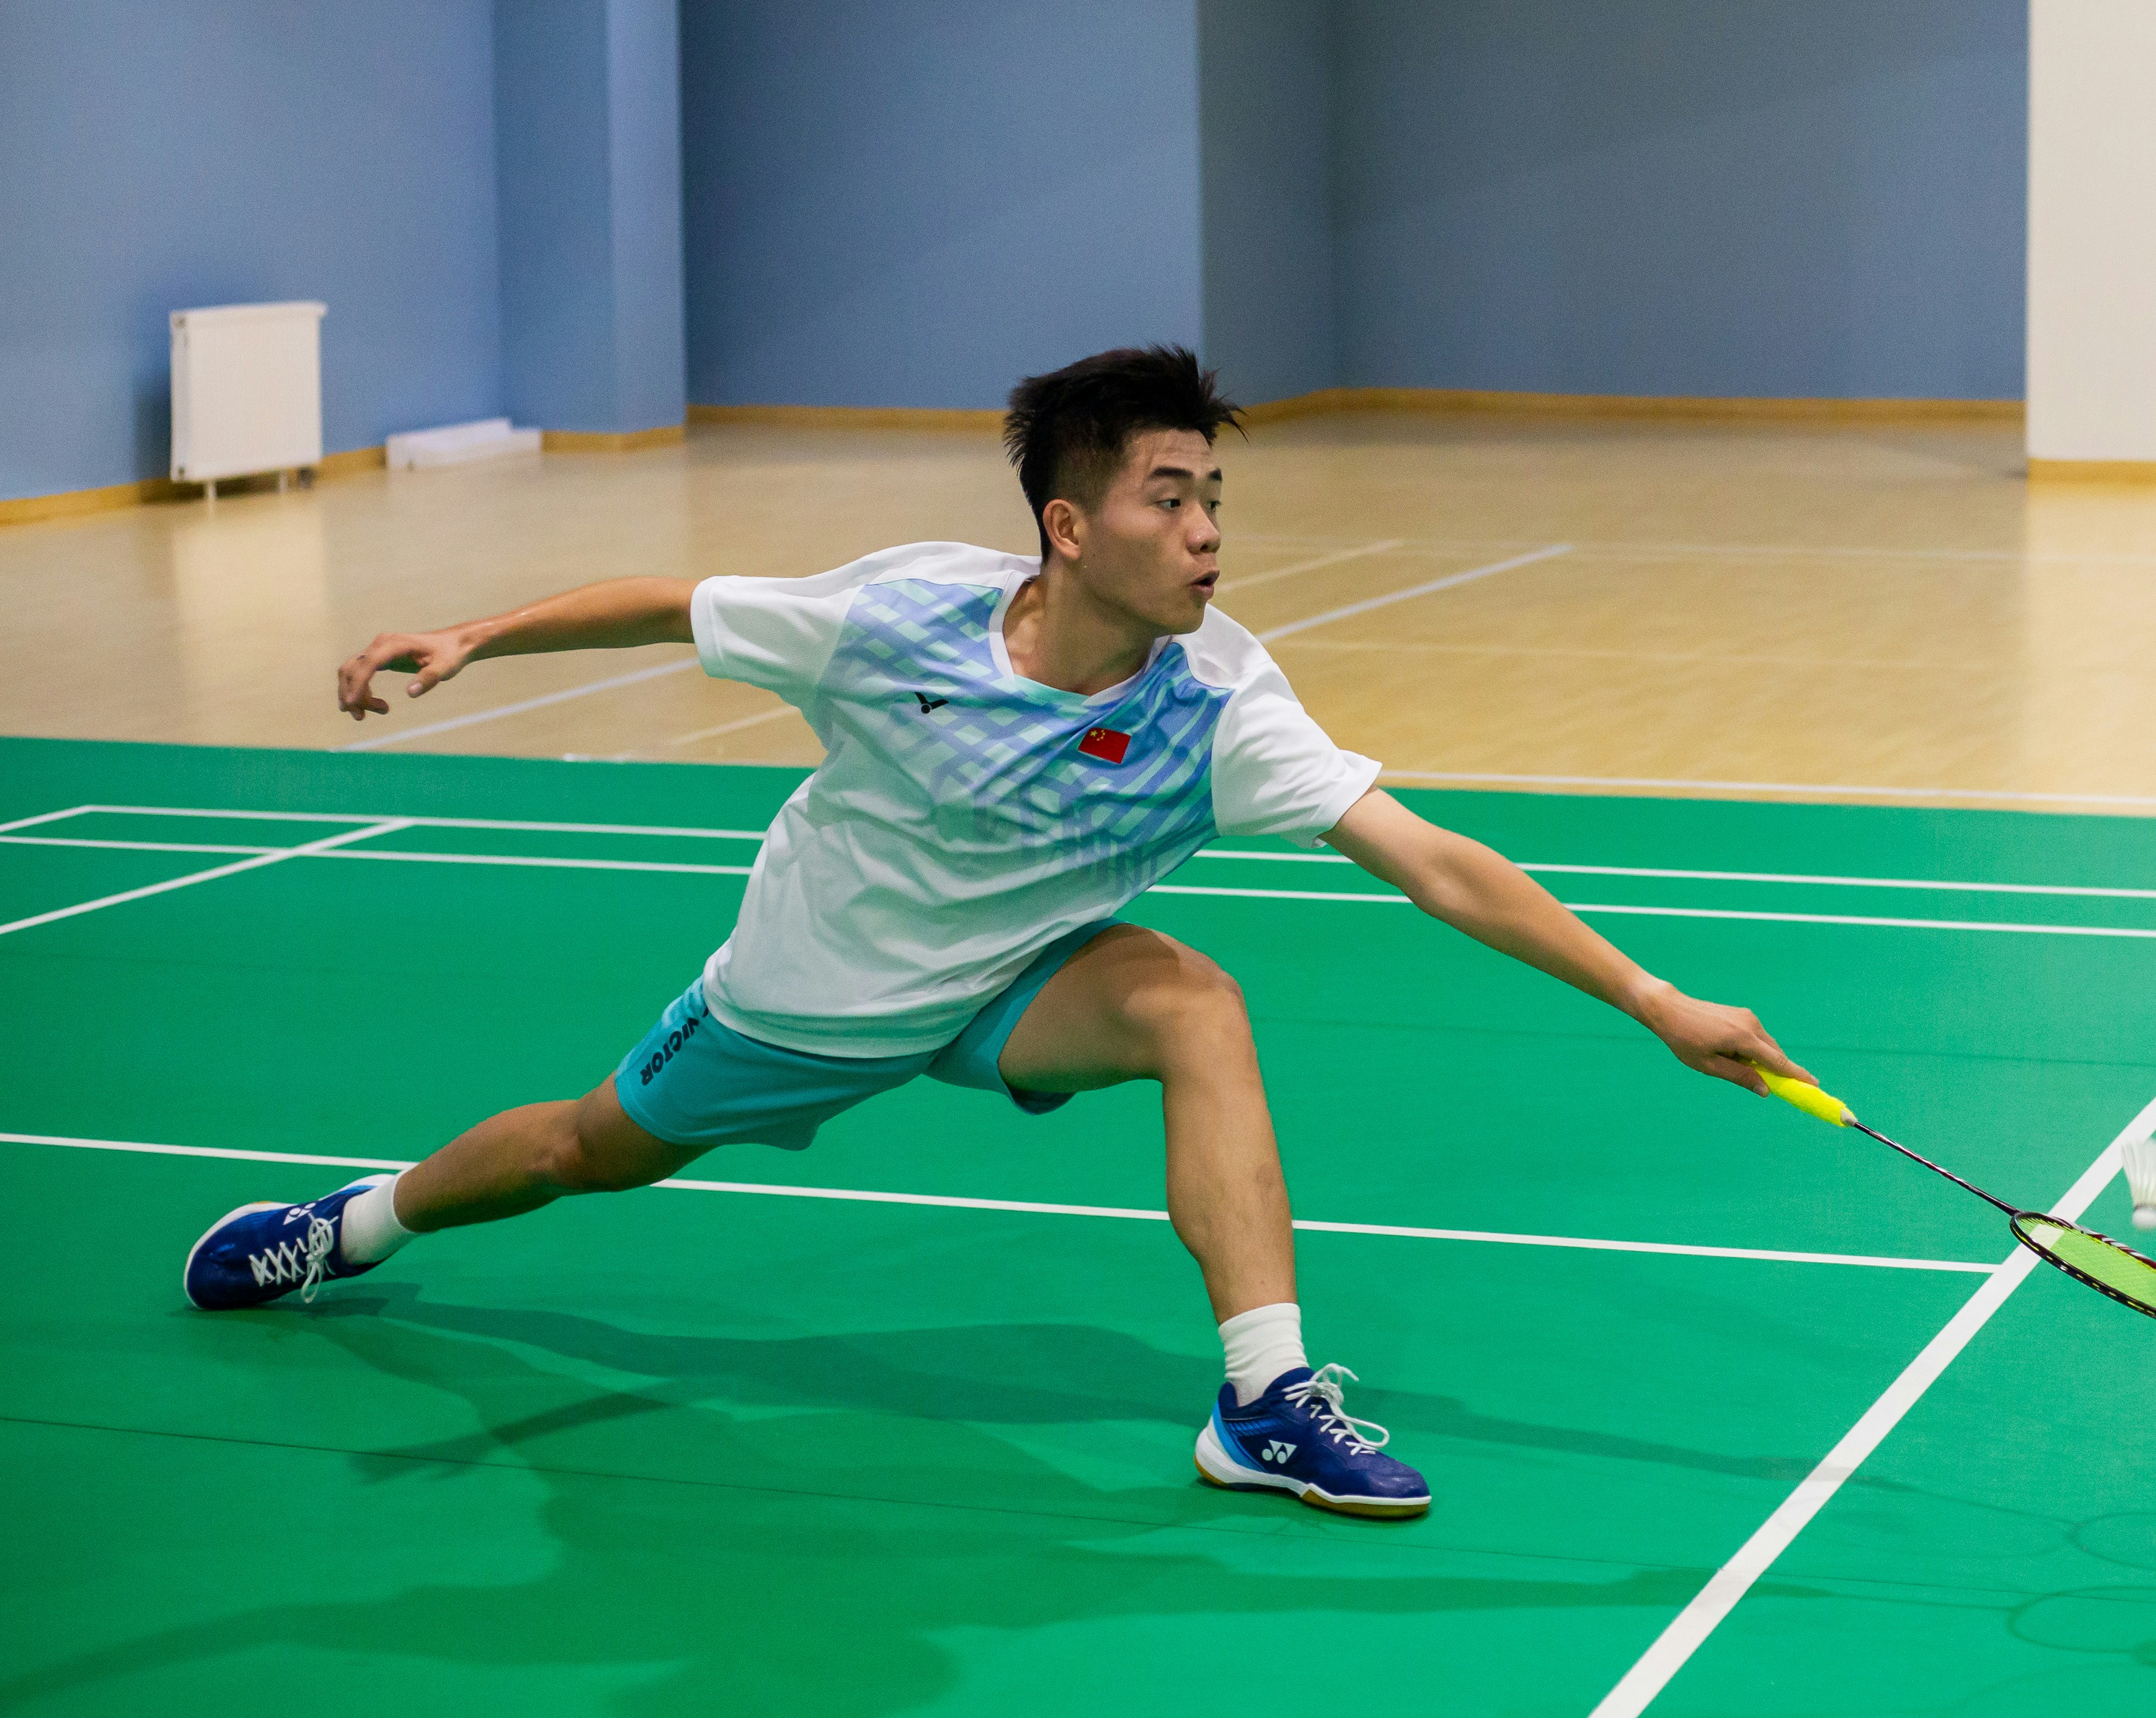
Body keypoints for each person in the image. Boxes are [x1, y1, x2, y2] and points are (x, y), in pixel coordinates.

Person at [182, 345, 1811, 1519]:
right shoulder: (894, 616)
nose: (1204, 531)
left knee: (1197, 1002)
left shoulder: (1220, 695)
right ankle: (353, 1228)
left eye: (1212, 496)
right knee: (577, 1148)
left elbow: (1432, 862)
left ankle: (1262, 1396)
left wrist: (1654, 998)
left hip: (1014, 982)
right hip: (806, 997)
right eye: (1166, 497)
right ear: (1066, 524)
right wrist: (472, 633)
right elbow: (681, 606)